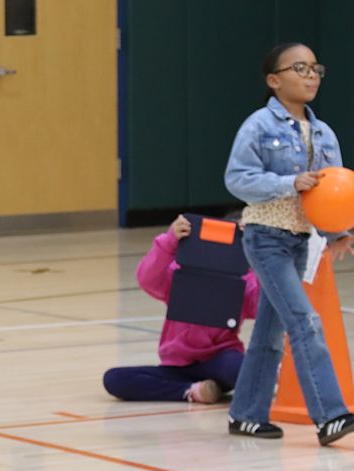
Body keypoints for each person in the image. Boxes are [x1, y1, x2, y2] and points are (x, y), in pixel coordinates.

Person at [223, 42, 354, 445]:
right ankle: (331, 416)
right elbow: (238, 179)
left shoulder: (323, 132)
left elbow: (330, 191)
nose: (311, 75)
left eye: (316, 68)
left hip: (300, 241)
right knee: (305, 321)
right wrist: (287, 183)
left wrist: (338, 234)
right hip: (266, 239)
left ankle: (246, 414)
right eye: (300, 67)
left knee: (269, 331)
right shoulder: (258, 126)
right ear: (274, 80)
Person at [102, 214, 260, 403]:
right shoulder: (179, 274)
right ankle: (191, 390)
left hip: (220, 362)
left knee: (242, 368)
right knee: (115, 379)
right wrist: (169, 241)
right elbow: (146, 278)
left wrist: (258, 254)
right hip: (177, 366)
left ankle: (206, 387)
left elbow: (261, 304)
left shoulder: (244, 281)